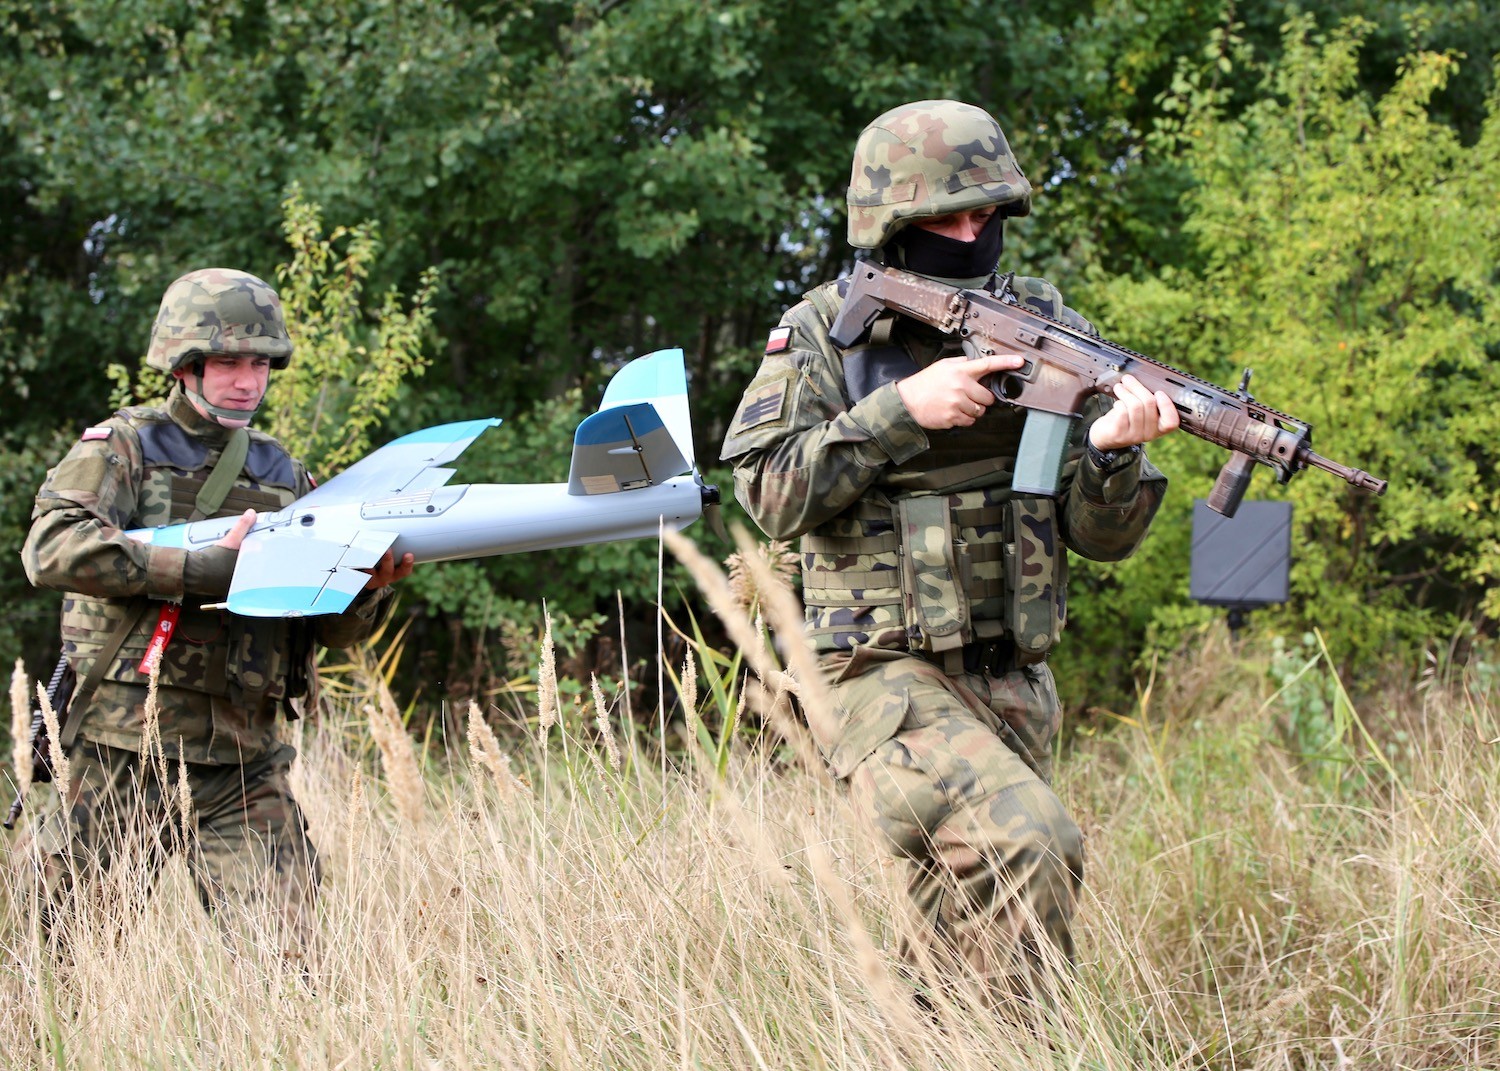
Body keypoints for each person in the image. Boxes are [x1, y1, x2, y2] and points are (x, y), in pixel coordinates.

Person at [721, 101, 1179, 999]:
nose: (971, 235)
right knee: (1027, 843)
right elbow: (767, 492)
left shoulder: (1046, 319)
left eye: (986, 215)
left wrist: (1111, 457)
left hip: (1011, 674)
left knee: (960, 927)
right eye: (945, 218)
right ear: (887, 224)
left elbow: (1101, 538)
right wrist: (900, 413)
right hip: (878, 674)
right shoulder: (825, 329)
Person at [19, 267, 414, 954]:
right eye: (228, 361)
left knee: (291, 966)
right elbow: (50, 550)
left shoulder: (284, 473)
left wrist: (369, 586)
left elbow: (330, 627)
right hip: (124, 754)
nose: (246, 379)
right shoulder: (124, 447)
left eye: (259, 362)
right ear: (184, 364)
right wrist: (200, 567)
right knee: (51, 961)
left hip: (243, 757)